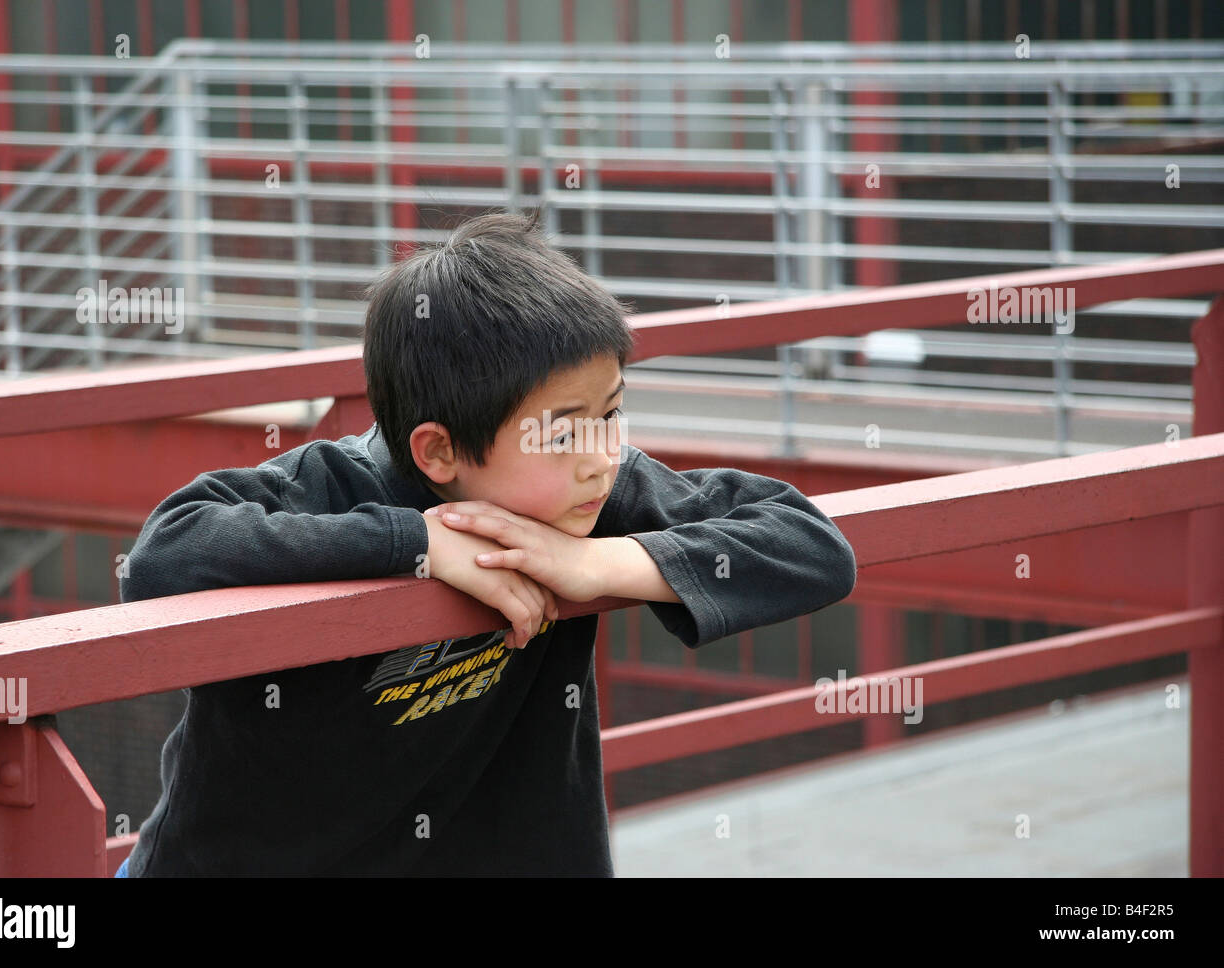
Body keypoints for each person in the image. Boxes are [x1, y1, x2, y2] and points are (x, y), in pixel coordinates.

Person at [116, 209, 856, 876]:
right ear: (438, 454)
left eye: (612, 414)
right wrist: (416, 544)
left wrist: (593, 563)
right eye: (561, 431)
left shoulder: (591, 496)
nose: (600, 453)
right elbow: (164, 554)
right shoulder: (333, 485)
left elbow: (811, 545)